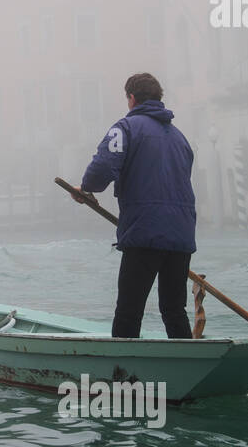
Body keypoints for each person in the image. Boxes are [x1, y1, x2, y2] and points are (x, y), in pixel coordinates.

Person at [73, 73, 197, 339]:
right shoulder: (179, 138)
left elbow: (104, 166)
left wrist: (86, 189)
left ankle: (120, 374)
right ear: (158, 97)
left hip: (145, 232)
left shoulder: (126, 128)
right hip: (181, 235)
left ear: (131, 98)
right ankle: (187, 364)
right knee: (174, 309)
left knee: (129, 310)